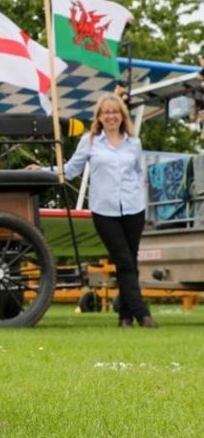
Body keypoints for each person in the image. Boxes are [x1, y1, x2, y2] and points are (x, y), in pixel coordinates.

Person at [26, 93, 157, 328]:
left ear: (122, 116)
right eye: (106, 112)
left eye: (115, 112)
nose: (111, 116)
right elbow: (70, 169)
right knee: (124, 260)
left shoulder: (134, 143)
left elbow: (140, 175)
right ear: (99, 117)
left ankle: (125, 318)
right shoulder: (90, 141)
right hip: (104, 210)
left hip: (133, 208)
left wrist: (142, 200)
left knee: (129, 263)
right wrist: (43, 170)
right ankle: (143, 314)